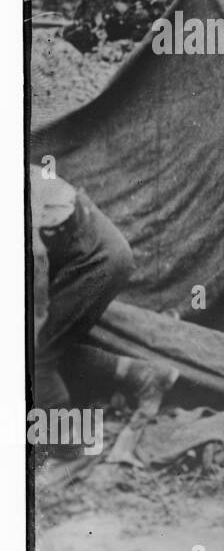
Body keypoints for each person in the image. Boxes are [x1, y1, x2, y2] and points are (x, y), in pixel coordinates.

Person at [30, 167, 178, 460]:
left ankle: (67, 451)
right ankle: (142, 375)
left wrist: (36, 319)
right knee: (41, 345)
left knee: (36, 354)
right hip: (82, 249)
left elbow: (34, 255)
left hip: (97, 258)